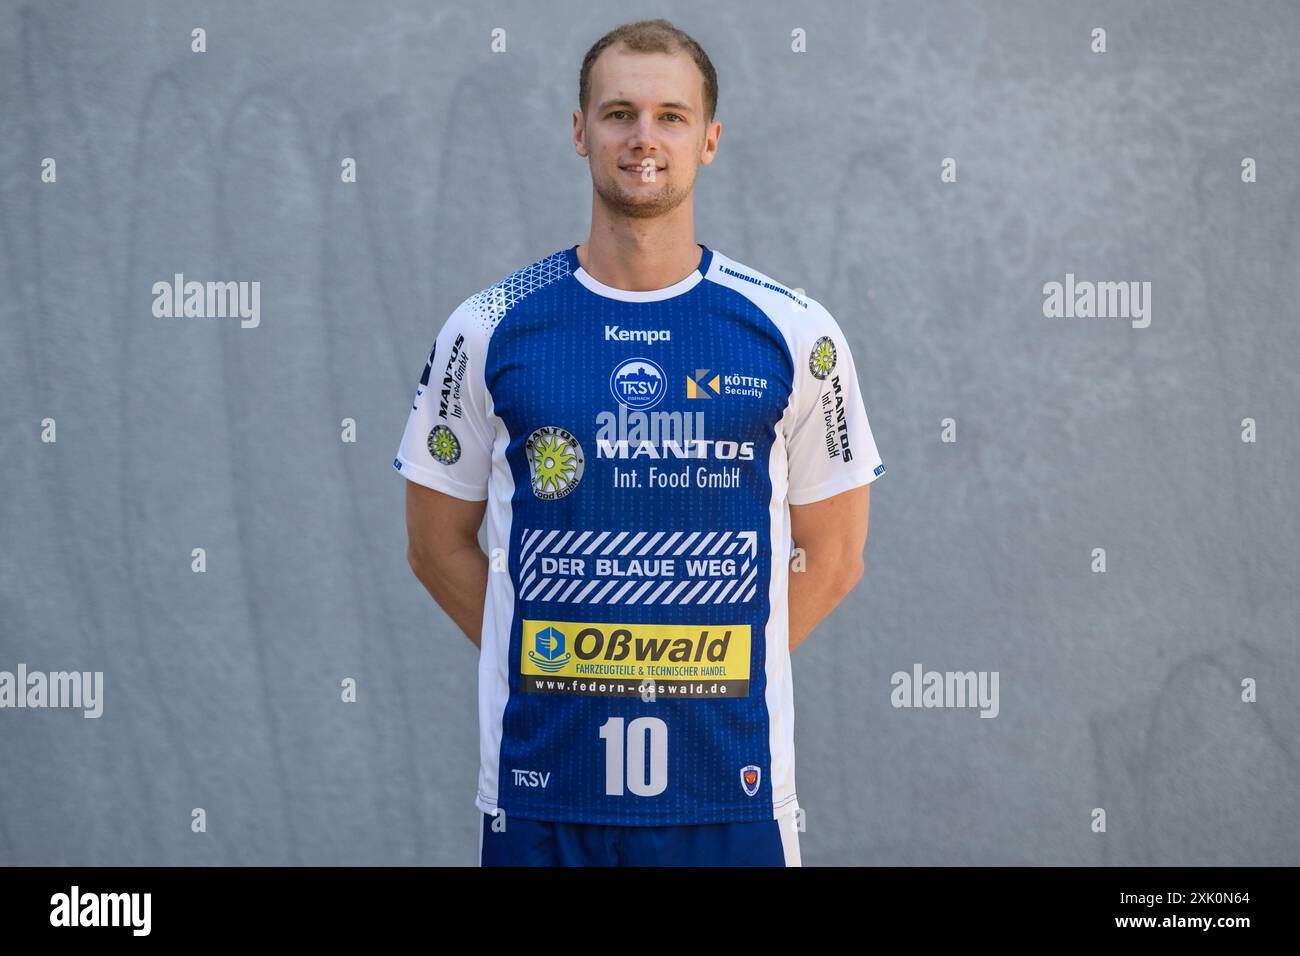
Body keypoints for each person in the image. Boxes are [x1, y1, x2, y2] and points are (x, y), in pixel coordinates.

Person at [393, 18, 885, 866]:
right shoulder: (487, 326)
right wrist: (565, 663)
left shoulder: (795, 331)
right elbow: (436, 547)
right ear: (579, 131)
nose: (643, 139)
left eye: (671, 116)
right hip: (542, 790)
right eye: (619, 113)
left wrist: (705, 679)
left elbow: (835, 559)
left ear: (710, 139)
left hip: (731, 791)